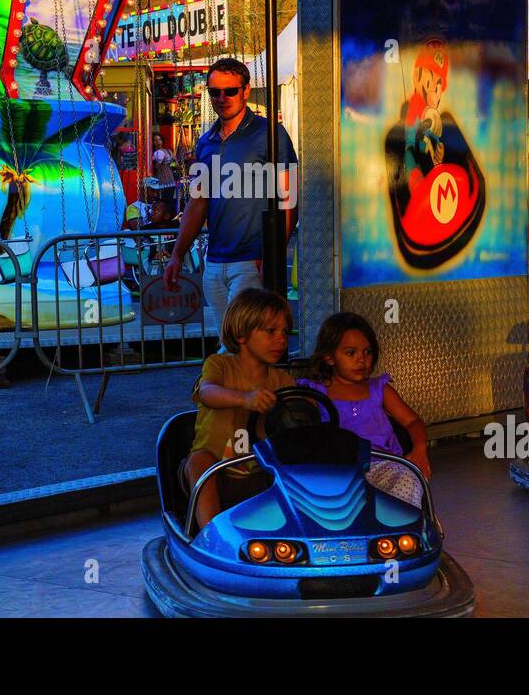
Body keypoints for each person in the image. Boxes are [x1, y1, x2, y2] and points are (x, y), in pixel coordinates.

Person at [164, 57, 297, 339]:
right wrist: (177, 254)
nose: (222, 98)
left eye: (230, 91)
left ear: (246, 91)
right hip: (215, 261)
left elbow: (290, 200)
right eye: (215, 92)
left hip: (252, 261)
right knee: (228, 345)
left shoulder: (270, 133)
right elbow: (198, 202)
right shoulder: (206, 141)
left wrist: (270, 259)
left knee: (247, 343)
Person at [184, 288, 293, 529]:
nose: (281, 339)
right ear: (241, 335)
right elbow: (207, 392)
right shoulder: (219, 365)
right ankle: (212, 535)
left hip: (260, 472)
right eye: (271, 331)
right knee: (199, 461)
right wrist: (245, 399)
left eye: (284, 332)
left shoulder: (283, 381)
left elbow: (296, 421)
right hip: (217, 470)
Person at [296, 312, 430, 507]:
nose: (361, 360)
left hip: (385, 466)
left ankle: (400, 531)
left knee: (409, 478)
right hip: (339, 471)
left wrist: (420, 449)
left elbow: (413, 421)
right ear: (329, 357)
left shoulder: (380, 388)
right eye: (351, 353)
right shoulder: (314, 391)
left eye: (367, 352)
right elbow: (302, 433)